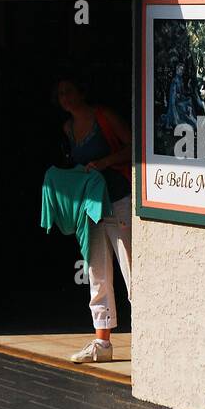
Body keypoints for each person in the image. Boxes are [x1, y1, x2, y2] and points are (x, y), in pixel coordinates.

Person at [55, 68, 133, 364]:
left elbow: (133, 146)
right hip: (91, 204)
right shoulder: (68, 128)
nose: (65, 98)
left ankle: (148, 335)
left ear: (82, 91)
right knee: (96, 270)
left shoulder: (104, 117)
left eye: (69, 91)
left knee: (130, 265)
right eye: (61, 93)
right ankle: (102, 342)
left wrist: (104, 162)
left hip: (118, 198)